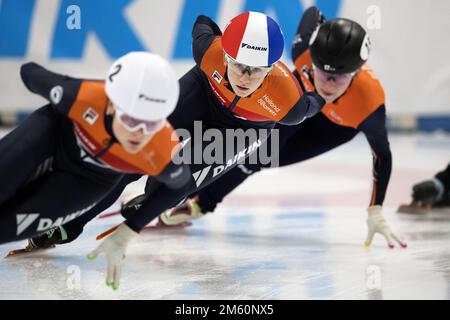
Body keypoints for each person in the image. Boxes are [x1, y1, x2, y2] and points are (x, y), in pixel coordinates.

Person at [25, 11, 325, 290]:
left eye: (257, 71)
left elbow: (315, 104)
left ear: (271, 68)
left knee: (179, 181)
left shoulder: (289, 104)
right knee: (132, 161)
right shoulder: (209, 49)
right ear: (226, 54)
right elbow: (203, 21)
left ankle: (155, 199)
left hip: (245, 129)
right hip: (202, 92)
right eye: (238, 65)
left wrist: (323, 95)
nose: (245, 78)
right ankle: (72, 224)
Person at [148, 7, 407, 249]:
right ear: (311, 59)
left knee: (259, 159)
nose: (327, 85)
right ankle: (185, 195)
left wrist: (376, 208)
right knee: (254, 149)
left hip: (333, 126)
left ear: (356, 73)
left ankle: (200, 204)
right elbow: (313, 13)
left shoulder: (369, 105)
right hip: (297, 104)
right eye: (319, 71)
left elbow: (382, 155)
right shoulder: (303, 49)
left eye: (338, 78)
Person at [0, 51, 191, 248]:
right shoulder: (83, 96)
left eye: (151, 125)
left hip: (89, 181)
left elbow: (180, 186)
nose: (139, 134)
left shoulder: (161, 148)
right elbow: (29, 72)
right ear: (111, 106)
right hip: (50, 140)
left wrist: (131, 228)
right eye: (131, 121)